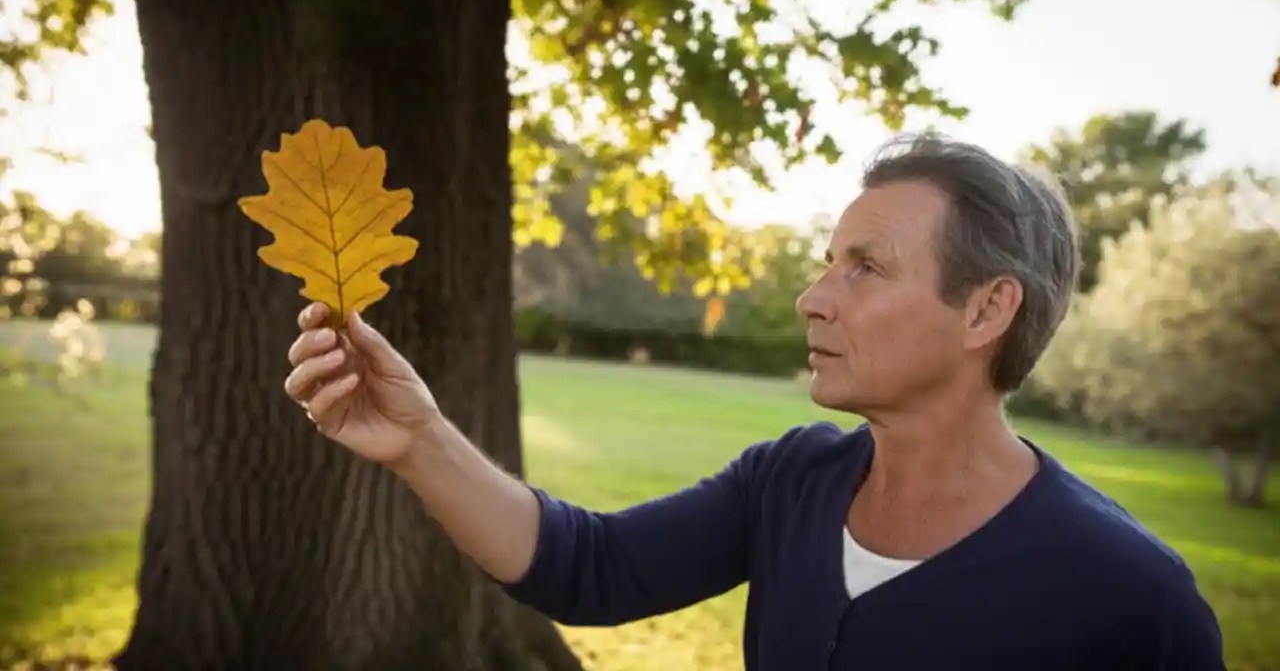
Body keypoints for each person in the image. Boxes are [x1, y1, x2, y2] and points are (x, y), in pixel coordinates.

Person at [284, 134, 1224, 669]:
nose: (814, 295)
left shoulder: (1131, 599)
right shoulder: (792, 482)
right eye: (828, 260)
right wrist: (419, 437)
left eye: (866, 268)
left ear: (987, 309)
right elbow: (588, 568)